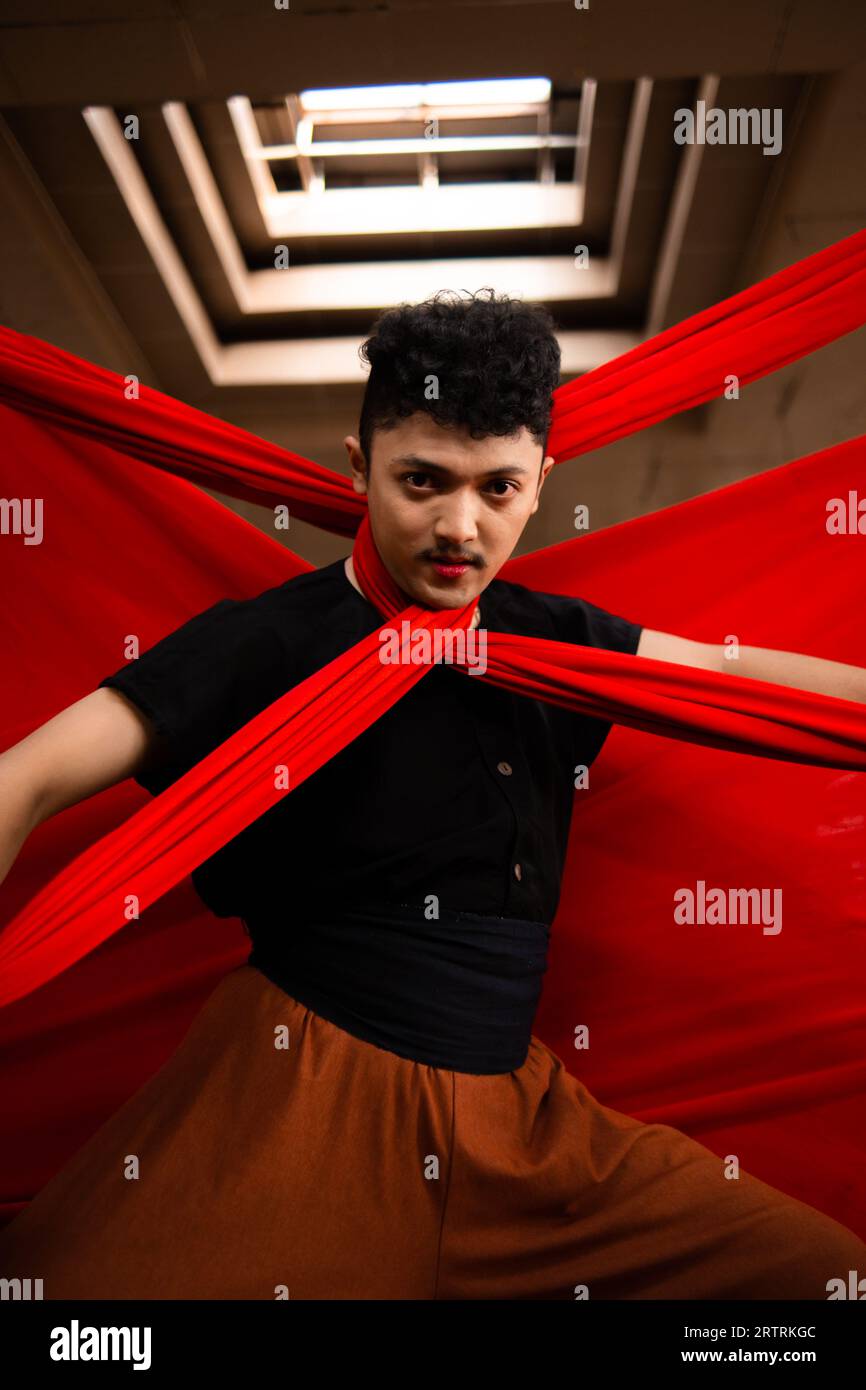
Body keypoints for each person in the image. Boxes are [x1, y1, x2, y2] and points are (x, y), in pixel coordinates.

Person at [1, 289, 865, 1301]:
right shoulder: (264, 642)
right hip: (296, 1106)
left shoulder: (559, 642)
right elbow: (30, 775)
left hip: (521, 1135)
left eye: (497, 488)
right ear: (357, 467)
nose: (460, 527)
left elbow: (727, 676)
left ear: (541, 484)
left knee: (822, 1285)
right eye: (422, 481)